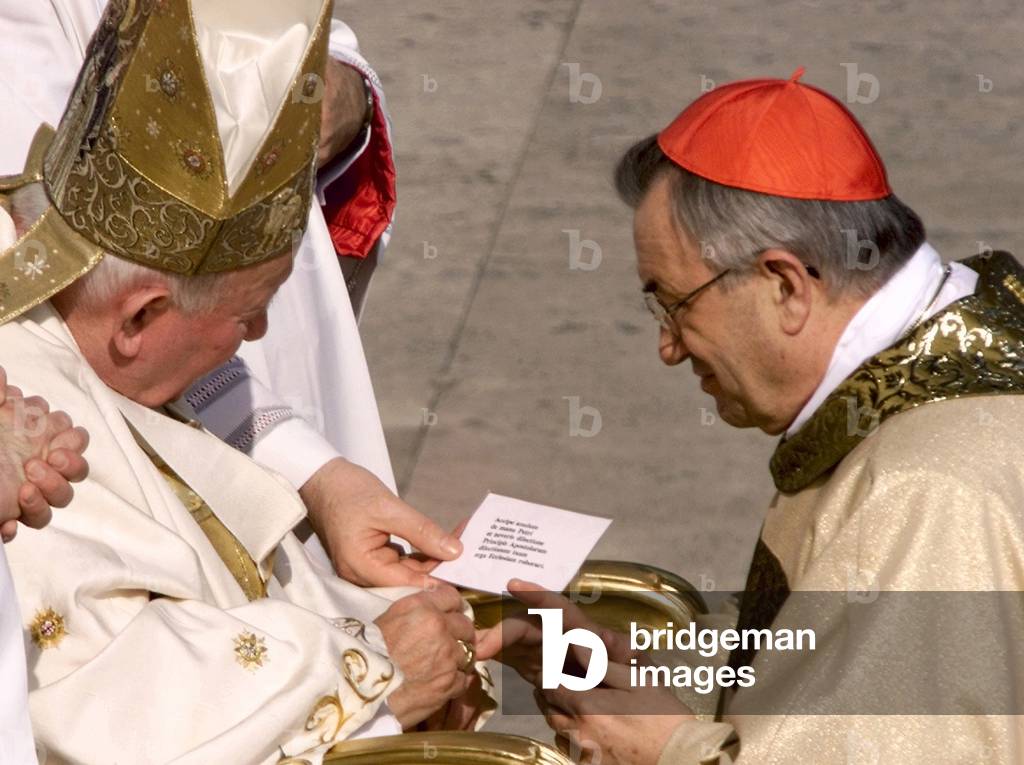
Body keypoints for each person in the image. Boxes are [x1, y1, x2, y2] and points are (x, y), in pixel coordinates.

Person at [481, 68, 1024, 763]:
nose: (667, 345)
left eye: (674, 301)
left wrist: (667, 748)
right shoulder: (957, 348)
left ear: (785, 284)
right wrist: (648, 677)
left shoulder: (928, 489)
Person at [0, 2, 491, 761]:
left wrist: (409, 626)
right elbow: (102, 697)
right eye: (249, 314)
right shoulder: (33, 440)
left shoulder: (93, 316)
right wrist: (371, 672)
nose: (256, 340)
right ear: (138, 318)